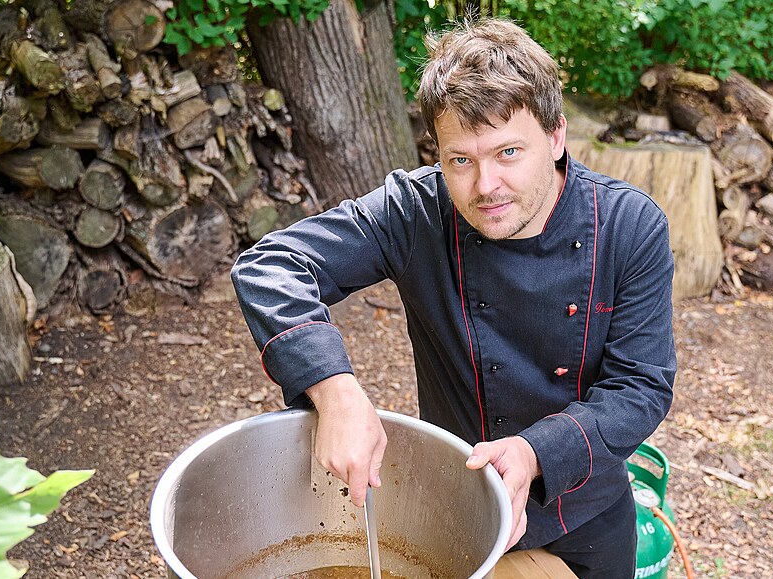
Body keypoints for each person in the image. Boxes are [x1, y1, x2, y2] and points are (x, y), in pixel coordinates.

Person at [231, 18, 676, 578]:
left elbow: (640, 387)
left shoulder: (628, 226)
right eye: (460, 160)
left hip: (585, 512)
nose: (485, 184)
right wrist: (336, 393)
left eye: (508, 152)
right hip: (456, 503)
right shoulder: (415, 213)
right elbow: (269, 266)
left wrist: (534, 451)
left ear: (556, 136)